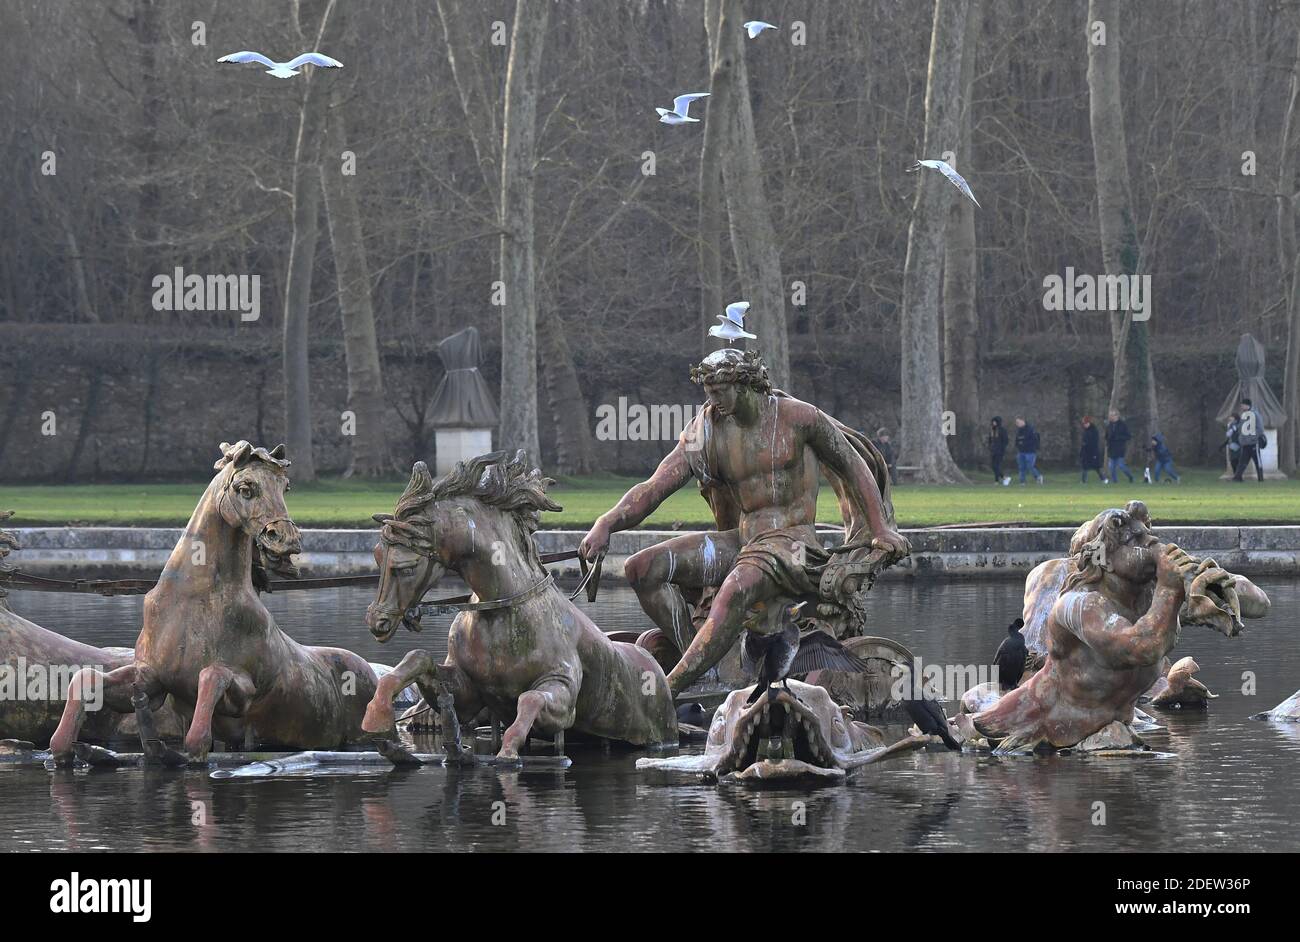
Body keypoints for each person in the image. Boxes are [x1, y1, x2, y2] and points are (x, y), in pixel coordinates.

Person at [578, 348, 909, 697]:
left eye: (720, 392)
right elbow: (656, 486)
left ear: (746, 383)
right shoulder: (707, 428)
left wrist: (880, 528)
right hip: (745, 539)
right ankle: (706, 670)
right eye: (708, 393)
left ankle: (668, 689)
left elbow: (852, 465)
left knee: (734, 589)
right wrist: (607, 523)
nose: (713, 401)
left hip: (792, 545)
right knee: (641, 568)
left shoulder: (798, 418)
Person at [1233, 397, 1265, 482]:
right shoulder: (1243, 415)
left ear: (1247, 405)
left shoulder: (1255, 414)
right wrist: (1241, 439)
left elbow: (1260, 428)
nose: (1241, 407)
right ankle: (1237, 478)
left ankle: (1260, 479)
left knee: (1258, 462)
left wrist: (1253, 438)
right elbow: (1241, 428)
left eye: (1243, 405)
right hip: (1245, 444)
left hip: (1254, 443)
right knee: (1242, 462)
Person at [1104, 409, 1134, 484]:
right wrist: (1107, 441)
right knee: (1111, 467)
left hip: (1120, 448)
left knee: (1121, 466)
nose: (1111, 417)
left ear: (1117, 415)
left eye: (1113, 415)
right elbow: (1106, 436)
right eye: (1110, 415)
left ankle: (1130, 476)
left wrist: (1119, 438)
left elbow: (1128, 436)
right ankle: (1115, 482)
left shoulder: (1122, 425)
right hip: (1111, 449)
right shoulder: (1109, 425)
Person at [1014, 416, 1043, 484]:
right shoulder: (1019, 431)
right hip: (1021, 452)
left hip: (1030, 452)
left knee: (1029, 466)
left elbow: (1034, 440)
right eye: (1016, 422)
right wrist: (1019, 445)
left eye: (1019, 422)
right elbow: (1017, 441)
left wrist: (1025, 444)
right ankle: (1022, 481)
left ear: (1023, 421)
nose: (1017, 423)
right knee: (1021, 467)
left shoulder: (1030, 429)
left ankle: (1038, 476)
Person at [1079, 416, 1105, 483]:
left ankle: (1104, 480)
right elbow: (1083, 441)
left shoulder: (1094, 431)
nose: (1085, 425)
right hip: (1085, 452)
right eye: (1084, 423)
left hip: (1093, 452)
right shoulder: (1085, 431)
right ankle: (1083, 481)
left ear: (1089, 423)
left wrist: (1094, 454)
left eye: (1086, 423)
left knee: (1097, 468)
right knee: (1085, 467)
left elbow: (1094, 442)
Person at [988, 417, 1010, 486]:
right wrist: (990, 447)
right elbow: (990, 440)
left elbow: (1006, 440)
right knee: (993, 466)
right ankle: (1004, 477)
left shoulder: (1002, 430)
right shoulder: (992, 430)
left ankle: (996, 481)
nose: (993, 423)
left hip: (999, 451)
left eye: (995, 422)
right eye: (993, 422)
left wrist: (1002, 448)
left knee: (996, 465)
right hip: (993, 451)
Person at [1224, 411, 1242, 476]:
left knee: (1237, 460)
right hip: (1232, 445)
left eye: (1231, 417)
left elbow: (1238, 432)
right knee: (1233, 461)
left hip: (1239, 444)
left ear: (1235, 418)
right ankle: (1235, 474)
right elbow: (1228, 434)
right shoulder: (1230, 425)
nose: (1230, 418)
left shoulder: (1239, 424)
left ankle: (1238, 475)